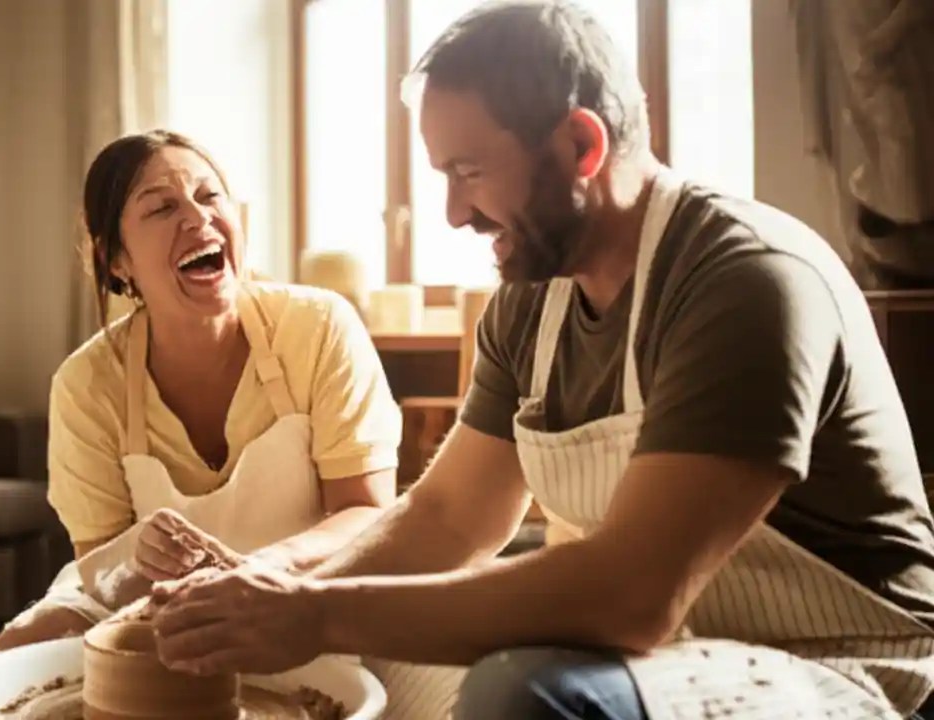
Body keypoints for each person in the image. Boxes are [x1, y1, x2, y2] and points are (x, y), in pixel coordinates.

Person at [147, 2, 934, 719]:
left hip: (843, 666)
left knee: (522, 690)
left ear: (581, 145)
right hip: (670, 652)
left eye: (469, 172)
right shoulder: (531, 300)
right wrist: (270, 596)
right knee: (371, 660)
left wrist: (315, 614)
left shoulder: (745, 280)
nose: (454, 212)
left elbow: (633, 595)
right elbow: (449, 517)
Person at [0, 130, 402, 651]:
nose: (197, 217)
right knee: (22, 646)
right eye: (162, 208)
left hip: (314, 585)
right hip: (151, 602)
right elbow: (100, 570)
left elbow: (366, 513)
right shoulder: (86, 384)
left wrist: (260, 573)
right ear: (116, 259)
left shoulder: (319, 326)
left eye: (210, 196)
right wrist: (137, 559)